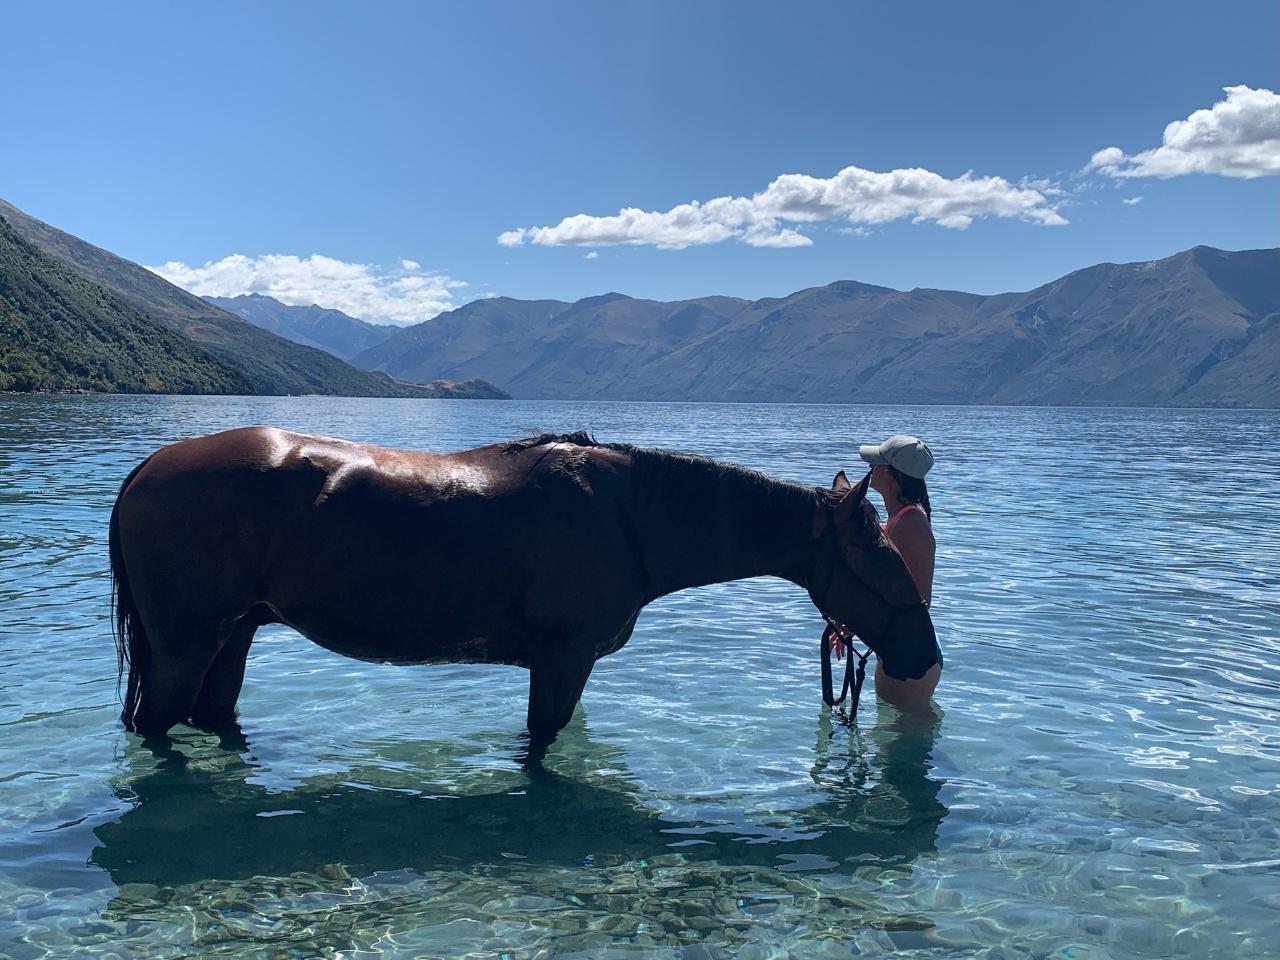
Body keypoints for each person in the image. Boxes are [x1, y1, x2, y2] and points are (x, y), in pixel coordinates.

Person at [832, 435, 941, 709]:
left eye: (877, 464)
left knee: (906, 745)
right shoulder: (900, 519)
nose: (870, 468)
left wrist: (854, 623)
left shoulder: (910, 525)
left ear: (892, 475)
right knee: (897, 742)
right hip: (903, 651)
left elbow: (918, 600)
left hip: (911, 657)